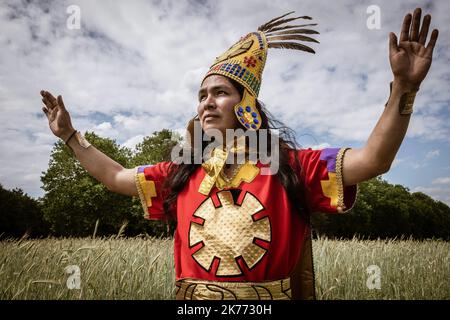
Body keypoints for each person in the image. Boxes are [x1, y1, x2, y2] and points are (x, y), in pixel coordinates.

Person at [41, 8, 438, 300]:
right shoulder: (181, 170)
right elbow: (115, 177)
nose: (206, 104)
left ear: (246, 103)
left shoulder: (291, 166)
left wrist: (404, 88)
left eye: (219, 93)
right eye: (201, 95)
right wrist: (71, 136)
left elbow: (374, 160)